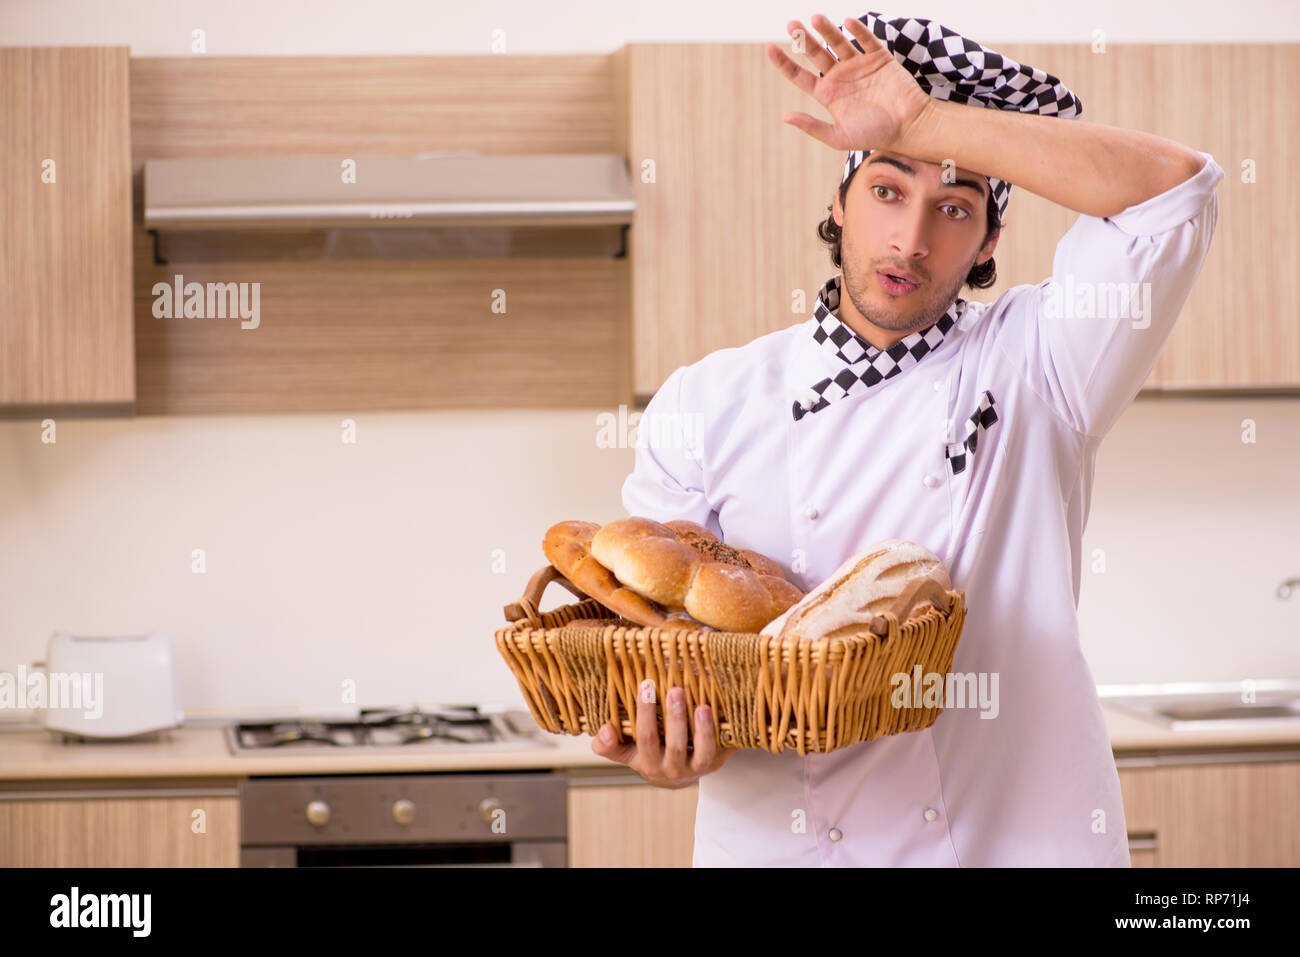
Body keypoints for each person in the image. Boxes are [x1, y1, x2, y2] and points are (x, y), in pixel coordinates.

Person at [592, 12, 1222, 866]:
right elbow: (650, 641)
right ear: (839, 199)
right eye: (888, 190)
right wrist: (663, 746)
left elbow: (1175, 190)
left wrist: (921, 125)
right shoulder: (708, 399)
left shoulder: (1042, 361)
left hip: (1010, 845)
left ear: (991, 239)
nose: (911, 240)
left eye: (955, 208)